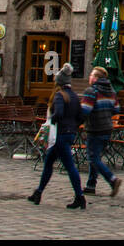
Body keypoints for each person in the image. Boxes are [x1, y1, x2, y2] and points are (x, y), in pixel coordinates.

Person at [27, 64, 86, 209]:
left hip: (60, 136)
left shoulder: (60, 96)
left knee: (70, 166)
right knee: (48, 163)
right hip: (69, 134)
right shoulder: (74, 96)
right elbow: (81, 116)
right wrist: (74, 126)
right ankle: (38, 192)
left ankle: (80, 196)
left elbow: (58, 113)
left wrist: (51, 121)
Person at [79, 66, 121, 197]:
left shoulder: (91, 91)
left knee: (93, 158)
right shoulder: (111, 91)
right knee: (95, 156)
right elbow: (117, 109)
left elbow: (85, 110)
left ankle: (112, 180)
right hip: (107, 128)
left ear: (96, 78)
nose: (89, 77)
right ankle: (91, 185)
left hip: (95, 128)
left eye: (91, 75)